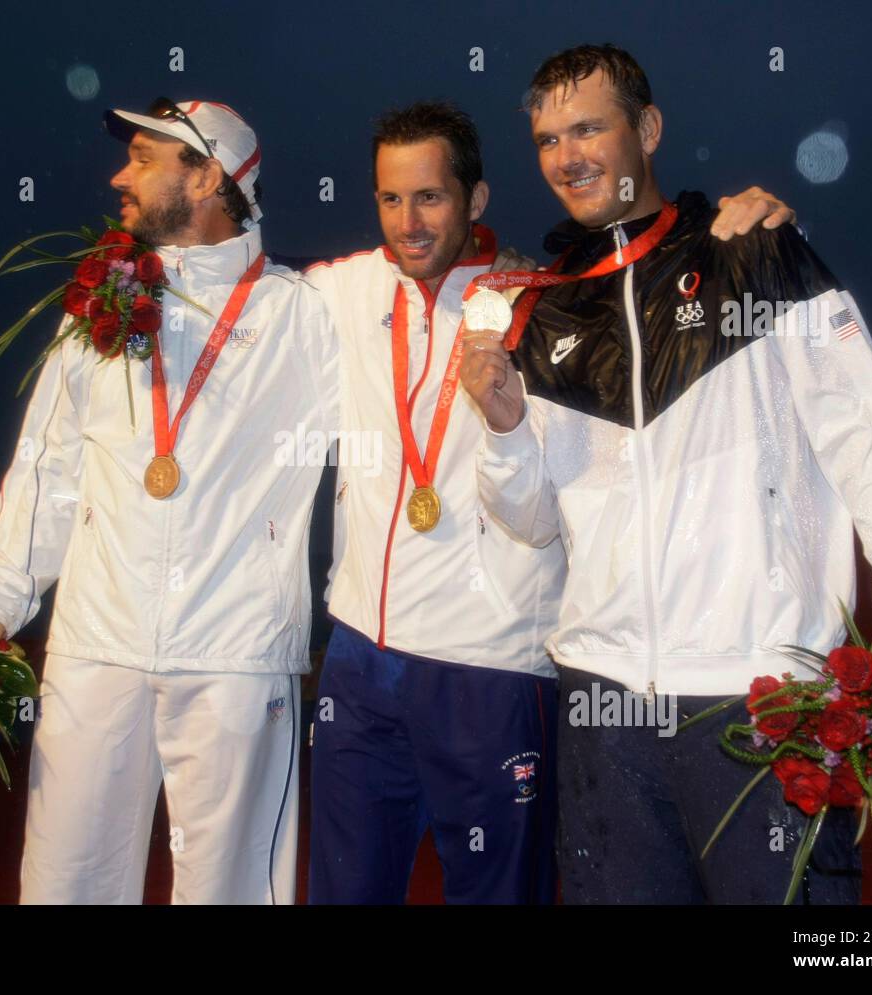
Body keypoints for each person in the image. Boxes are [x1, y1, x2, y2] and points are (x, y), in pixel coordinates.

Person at [460, 44, 872, 903]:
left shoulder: (751, 248)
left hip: (758, 695)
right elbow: (534, 519)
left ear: (647, 129)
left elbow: (866, 434)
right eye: (545, 139)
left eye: (588, 127)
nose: (566, 156)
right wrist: (504, 428)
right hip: (604, 705)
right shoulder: (538, 309)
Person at [303, 101, 795, 903]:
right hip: (359, 658)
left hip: (490, 668)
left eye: (429, 197)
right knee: (344, 889)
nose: (408, 222)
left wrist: (746, 219)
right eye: (390, 199)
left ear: (477, 200)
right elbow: (237, 285)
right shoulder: (346, 291)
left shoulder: (547, 302)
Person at [0, 99, 336, 904]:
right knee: (68, 881)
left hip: (235, 650)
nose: (118, 177)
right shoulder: (99, 308)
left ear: (207, 174)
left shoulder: (306, 316)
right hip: (95, 641)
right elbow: (48, 466)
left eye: (142, 158)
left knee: (230, 890)